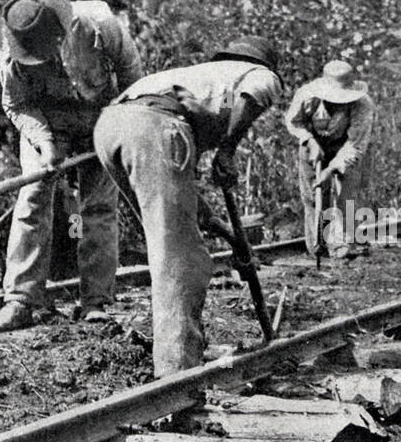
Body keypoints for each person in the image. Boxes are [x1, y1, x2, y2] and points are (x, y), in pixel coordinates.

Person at [92, 36, 282, 380]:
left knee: (167, 244)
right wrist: (227, 151)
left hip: (111, 126)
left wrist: (230, 236)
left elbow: (187, 201)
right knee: (182, 262)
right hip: (154, 128)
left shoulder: (199, 79)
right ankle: (177, 375)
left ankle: (177, 351)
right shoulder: (258, 74)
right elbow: (253, 96)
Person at [0, 0, 143, 332]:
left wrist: (118, 134)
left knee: (99, 207)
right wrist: (44, 143)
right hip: (47, 122)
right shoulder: (8, 48)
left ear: (61, 32)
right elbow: (16, 105)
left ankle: (96, 303)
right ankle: (21, 300)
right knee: (32, 197)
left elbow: (135, 89)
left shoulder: (103, 27)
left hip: (101, 118)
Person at [284, 59, 376, 258]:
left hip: (346, 146)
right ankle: (317, 245)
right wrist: (309, 141)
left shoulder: (363, 104)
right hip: (312, 143)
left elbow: (356, 144)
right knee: (313, 196)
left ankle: (352, 243)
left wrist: (331, 169)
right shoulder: (307, 96)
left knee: (348, 195)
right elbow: (294, 123)